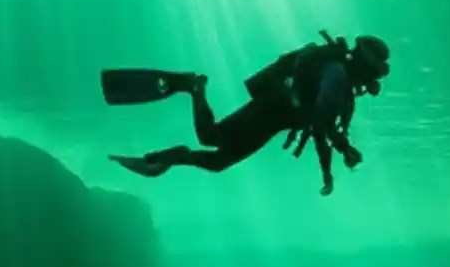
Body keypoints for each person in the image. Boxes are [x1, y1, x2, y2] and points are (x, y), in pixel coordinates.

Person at [104, 32, 390, 196]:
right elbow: (321, 123)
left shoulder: (339, 80)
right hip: (269, 112)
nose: (371, 83)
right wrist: (334, 162)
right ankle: (193, 89)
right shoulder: (337, 76)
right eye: (375, 74)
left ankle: (166, 150)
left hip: (272, 115)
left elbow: (321, 125)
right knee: (211, 143)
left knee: (214, 151)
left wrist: (334, 161)